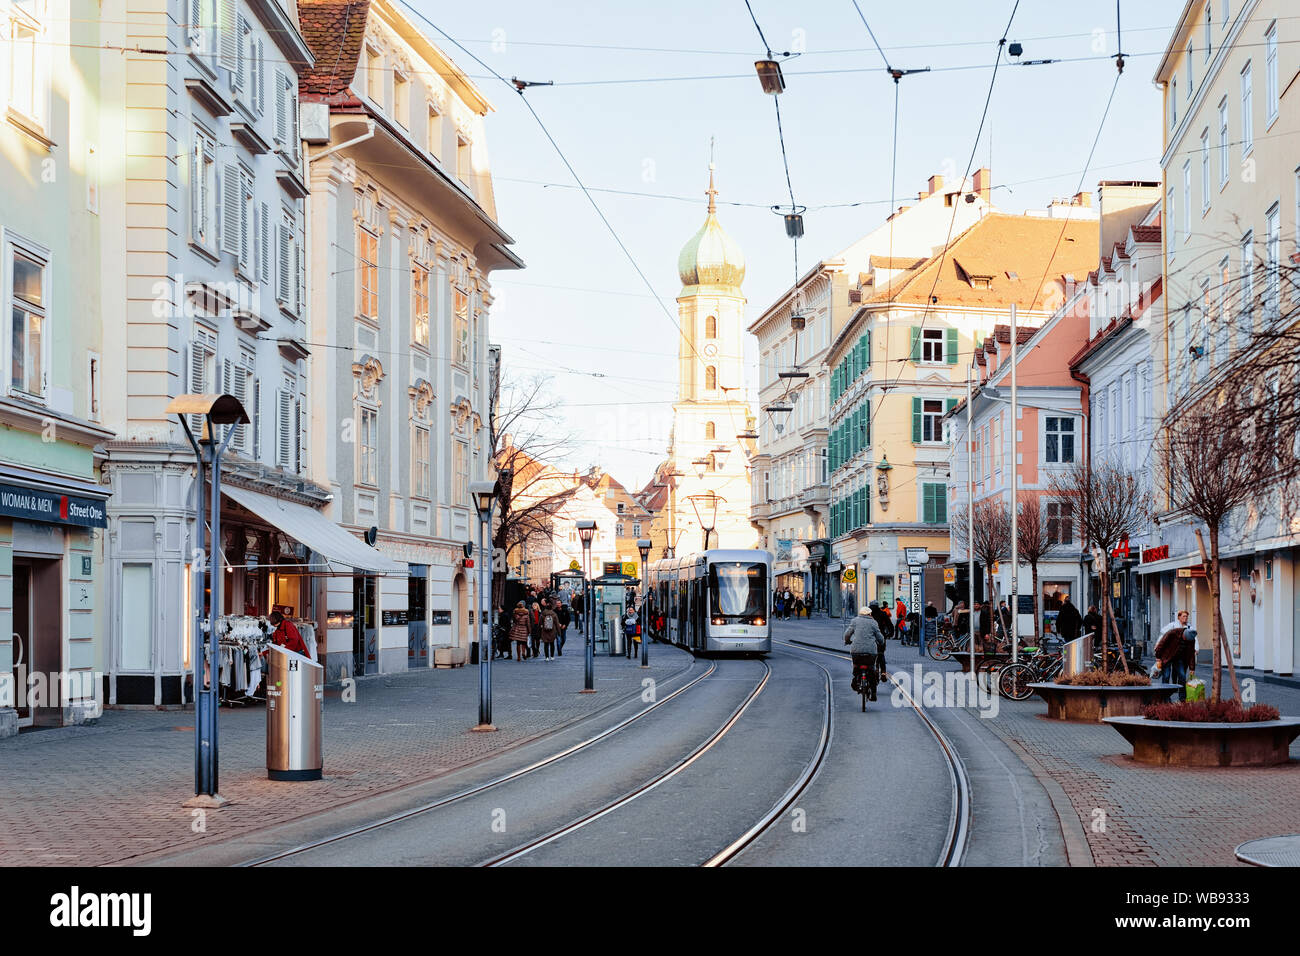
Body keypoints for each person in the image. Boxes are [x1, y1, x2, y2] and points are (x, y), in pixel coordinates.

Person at [843, 605, 887, 700]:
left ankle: (855, 680)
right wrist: (881, 642)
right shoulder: (873, 622)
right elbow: (880, 637)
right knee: (871, 670)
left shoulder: (854, 621)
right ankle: (874, 693)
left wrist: (847, 641)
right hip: (870, 652)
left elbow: (847, 634)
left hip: (856, 651)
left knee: (856, 665)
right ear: (869, 614)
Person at [1153, 610, 1196, 700]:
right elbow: (1161, 645)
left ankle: (1182, 698)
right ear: (1183, 634)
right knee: (1166, 676)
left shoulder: (1191, 639)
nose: (1186, 640)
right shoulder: (1172, 632)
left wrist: (1192, 668)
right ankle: (1164, 698)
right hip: (1167, 657)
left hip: (1178, 658)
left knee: (1182, 676)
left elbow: (1191, 653)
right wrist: (1158, 658)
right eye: (1185, 639)